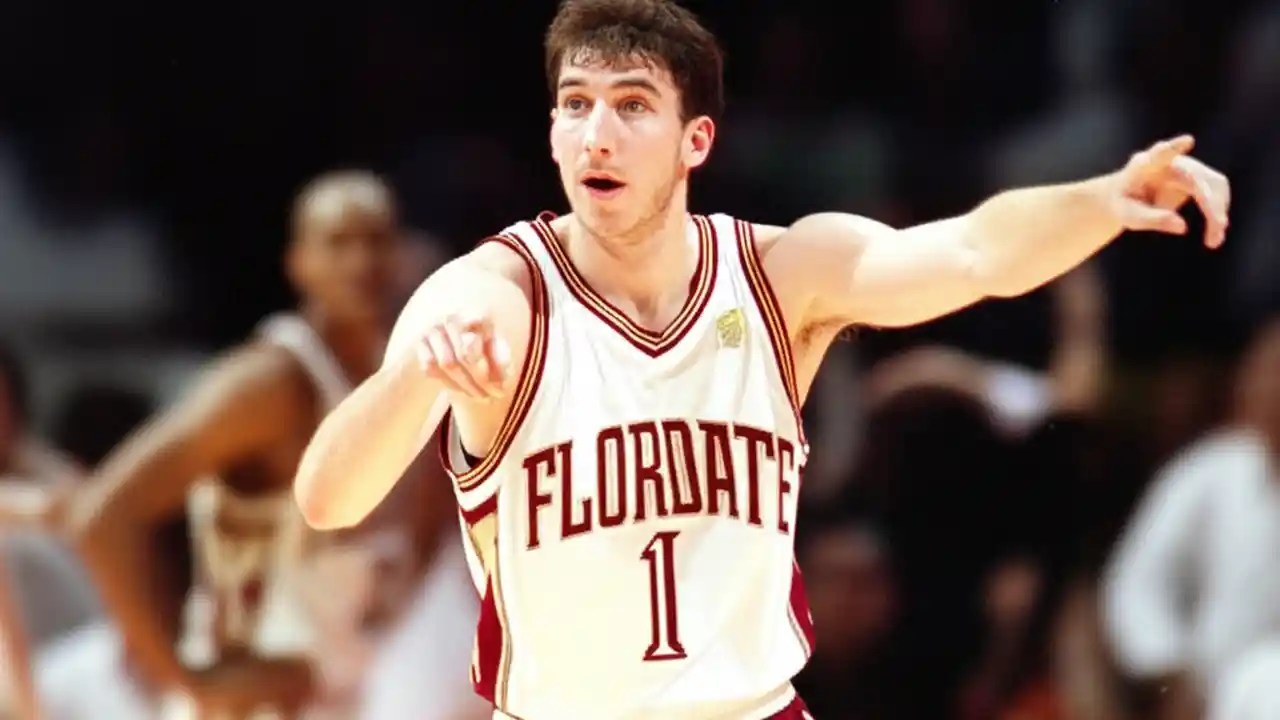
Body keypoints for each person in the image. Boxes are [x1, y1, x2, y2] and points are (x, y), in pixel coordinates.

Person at [293, 1, 1231, 717]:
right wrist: (413, 378)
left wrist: (1105, 197)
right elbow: (327, 500)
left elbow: (977, 251)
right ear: (550, 132)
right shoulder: (497, 294)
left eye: (631, 106)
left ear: (695, 139)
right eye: (574, 106)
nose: (597, 133)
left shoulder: (781, 275)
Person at [66, 170, 447, 719]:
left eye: (376, 239)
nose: (360, 260)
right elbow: (100, 516)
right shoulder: (270, 383)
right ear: (299, 263)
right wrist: (190, 679)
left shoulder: (401, 369)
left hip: (343, 696)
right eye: (339, 242)